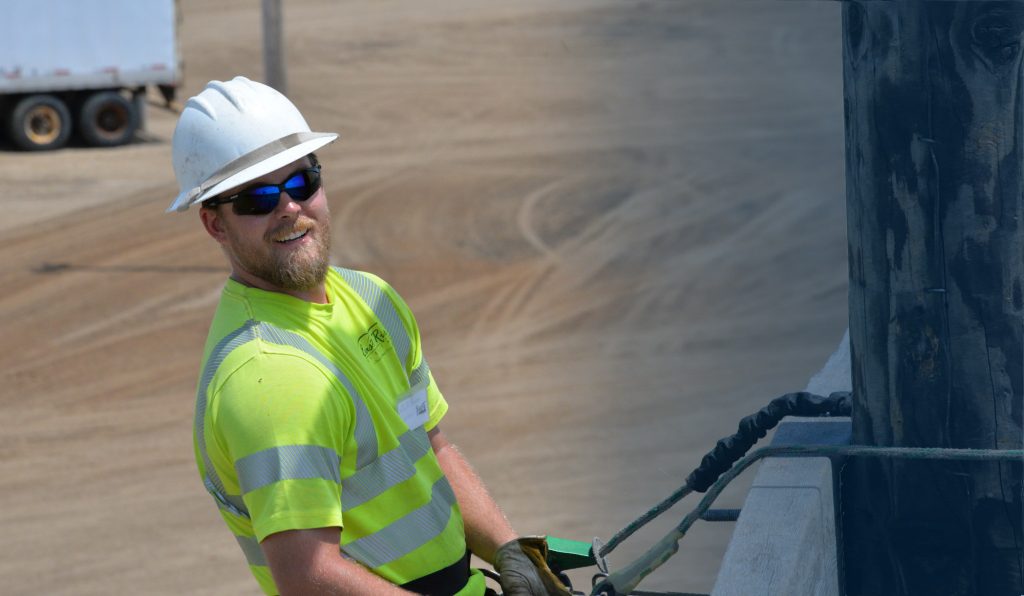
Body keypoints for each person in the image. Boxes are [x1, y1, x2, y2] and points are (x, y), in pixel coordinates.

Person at [168, 76, 571, 596]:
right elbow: (309, 576)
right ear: (216, 225)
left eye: (302, 182)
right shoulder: (269, 376)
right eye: (257, 198)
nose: (288, 207)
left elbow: (429, 448)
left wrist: (510, 551)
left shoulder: (370, 298)